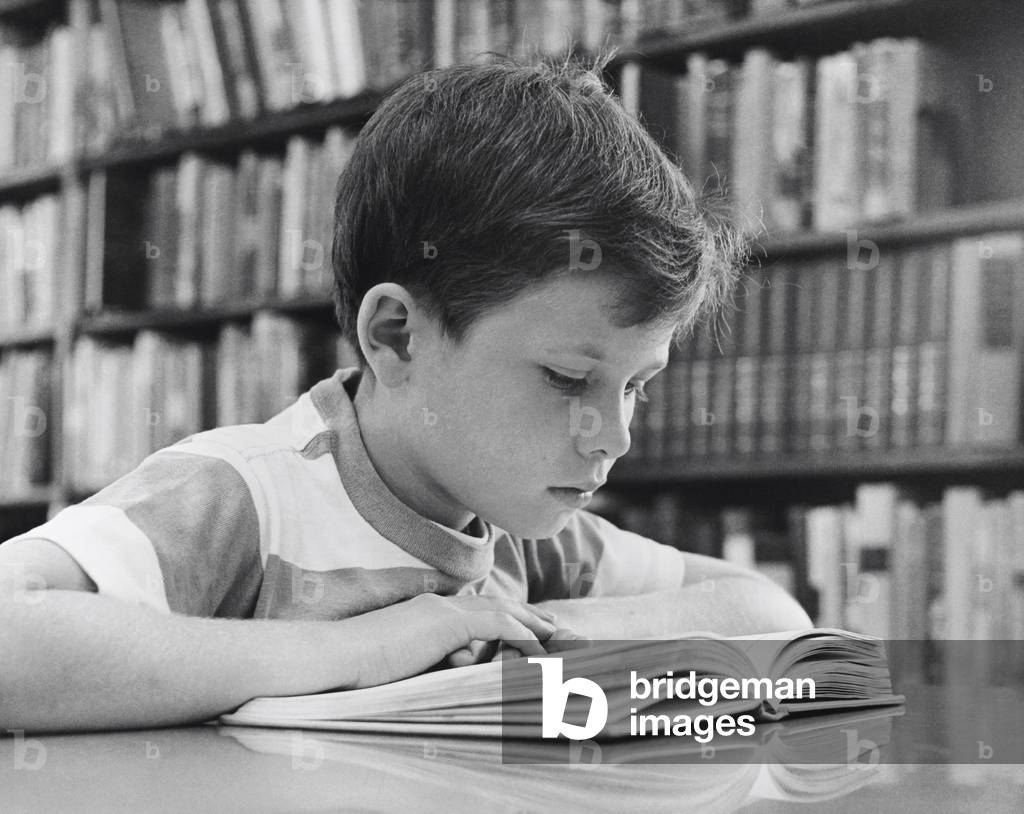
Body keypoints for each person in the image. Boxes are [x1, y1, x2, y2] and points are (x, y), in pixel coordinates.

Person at [0, 56, 810, 733]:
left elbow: (773, 620)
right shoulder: (246, 496)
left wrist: (545, 637)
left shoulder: (526, 535)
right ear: (395, 336)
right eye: (568, 378)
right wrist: (365, 651)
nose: (614, 437)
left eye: (635, 386)